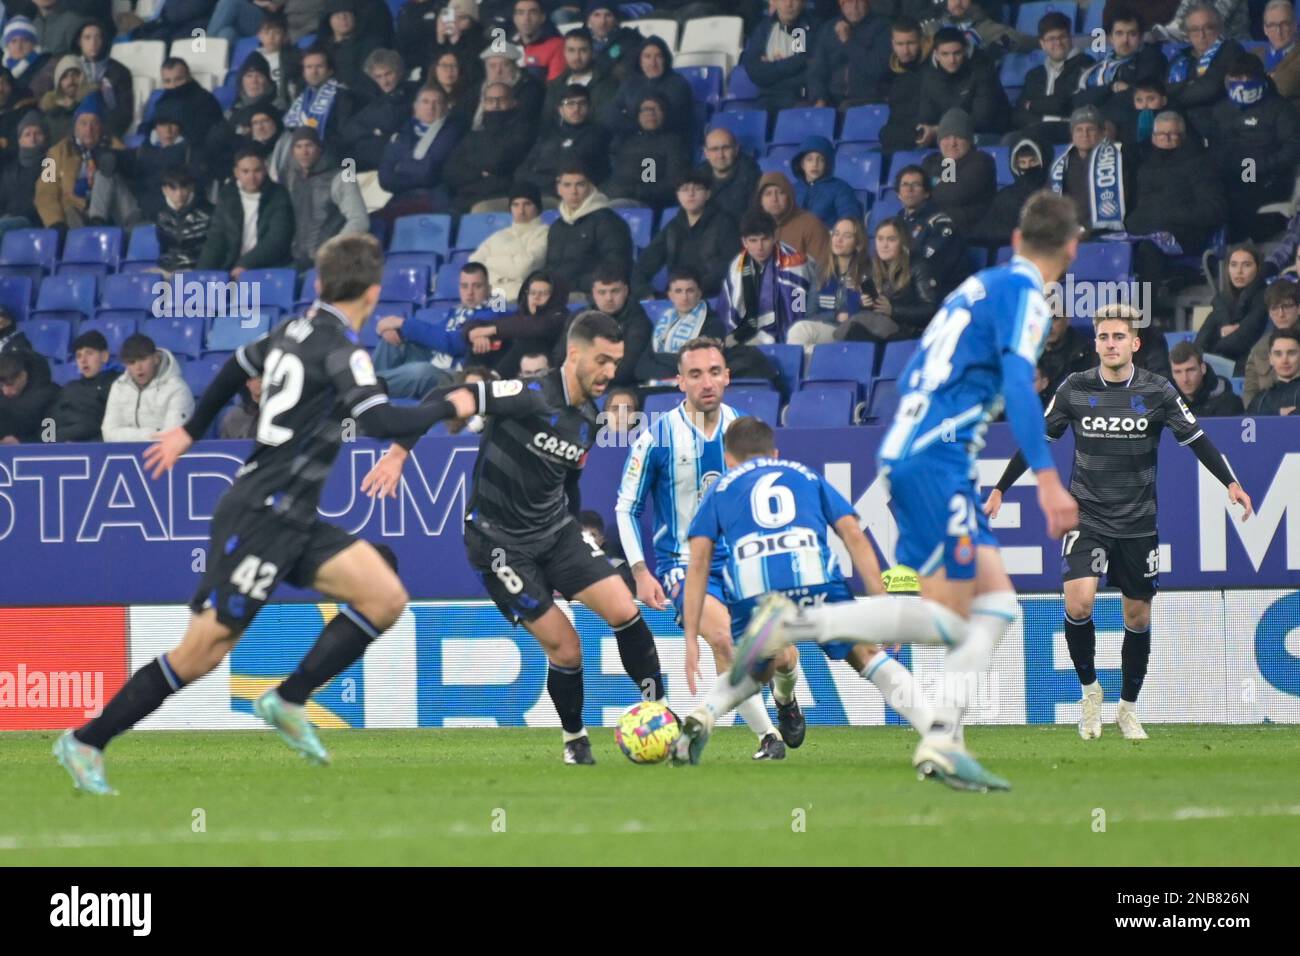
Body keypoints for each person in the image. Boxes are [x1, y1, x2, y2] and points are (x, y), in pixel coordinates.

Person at [54, 235, 471, 795]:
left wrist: (190, 430)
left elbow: (234, 366)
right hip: (260, 517)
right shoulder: (345, 352)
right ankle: (87, 740)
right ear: (372, 294)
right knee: (200, 654)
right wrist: (455, 402)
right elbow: (380, 423)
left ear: (320, 284)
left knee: (385, 596)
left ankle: (288, 698)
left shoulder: (289, 331)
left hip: (293, 515)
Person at [730, 191, 1086, 792]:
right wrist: (1049, 479)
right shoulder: (1027, 296)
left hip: (912, 445)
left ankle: (942, 739)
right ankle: (796, 626)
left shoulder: (977, 287)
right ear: (1073, 249)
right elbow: (1023, 389)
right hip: (938, 457)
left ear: (1017, 241)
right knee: (958, 618)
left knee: (989, 607)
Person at [362, 311, 671, 766]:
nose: (610, 372)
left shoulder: (588, 418)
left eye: (616, 362)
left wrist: (572, 539)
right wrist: (398, 450)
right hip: (499, 543)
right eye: (602, 360)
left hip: (556, 533)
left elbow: (566, 484)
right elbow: (447, 395)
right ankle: (575, 739)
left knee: (626, 611)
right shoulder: (529, 395)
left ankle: (659, 715)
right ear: (575, 353)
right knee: (567, 647)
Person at [988, 303, 1252, 740]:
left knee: (1138, 618)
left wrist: (1231, 482)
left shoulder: (1158, 391)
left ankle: (1127, 709)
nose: (1110, 344)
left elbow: (1198, 439)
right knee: (1079, 603)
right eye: (1103, 337)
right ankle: (1091, 694)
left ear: (1134, 343)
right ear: (1095, 344)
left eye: (1118, 337)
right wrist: (1000, 487)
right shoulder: (1074, 388)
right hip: (1087, 517)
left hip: (1138, 523)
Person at [672, 416, 940, 765]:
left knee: (754, 670)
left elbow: (698, 563)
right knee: (867, 655)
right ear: (775, 452)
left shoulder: (720, 488)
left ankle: (704, 715)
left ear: (729, 458)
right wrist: (883, 607)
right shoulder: (805, 474)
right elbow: (854, 535)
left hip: (757, 588)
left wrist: (692, 636)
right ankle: (937, 736)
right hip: (813, 575)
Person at [616, 339, 786, 759]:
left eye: (714, 371)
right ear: (680, 382)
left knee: (783, 656)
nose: (706, 382)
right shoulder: (656, 438)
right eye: (695, 374)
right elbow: (626, 507)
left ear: (727, 376)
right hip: (683, 565)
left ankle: (786, 699)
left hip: (744, 563)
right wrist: (640, 571)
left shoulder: (745, 432)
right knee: (724, 640)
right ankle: (769, 737)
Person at [1207, 52, 1300, 243]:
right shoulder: (1220, 110)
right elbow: (1215, 149)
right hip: (1230, 179)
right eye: (1237, 77)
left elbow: (1292, 148)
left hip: (1269, 180)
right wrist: (1234, 166)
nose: (1242, 82)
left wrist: (1259, 166)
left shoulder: (1281, 108)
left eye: (1247, 77)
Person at [373, 261, 497, 398]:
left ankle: (365, 390)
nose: (469, 293)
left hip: (456, 375)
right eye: (464, 286)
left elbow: (452, 343)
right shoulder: (456, 312)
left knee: (422, 372)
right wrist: (397, 330)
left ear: (489, 289)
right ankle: (367, 392)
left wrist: (402, 323)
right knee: (392, 341)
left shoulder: (491, 315)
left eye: (477, 286)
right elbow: (436, 333)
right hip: (435, 360)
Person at [34, 94, 137, 232]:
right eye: (83, 123)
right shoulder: (54, 153)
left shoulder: (115, 148)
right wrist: (55, 223)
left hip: (113, 216)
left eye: (94, 123)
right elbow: (45, 192)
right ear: (75, 126)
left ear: (101, 126)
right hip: (73, 216)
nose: (88, 129)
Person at [632, 172, 738, 299]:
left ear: (707, 194)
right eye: (684, 189)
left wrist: (691, 291)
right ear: (678, 195)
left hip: (711, 297)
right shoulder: (673, 227)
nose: (690, 194)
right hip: (677, 298)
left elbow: (728, 268)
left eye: (697, 189)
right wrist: (648, 293)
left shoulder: (725, 224)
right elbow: (644, 264)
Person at [837, 216, 939, 342]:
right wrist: (863, 303)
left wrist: (893, 310)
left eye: (891, 239)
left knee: (856, 329)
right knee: (855, 327)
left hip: (906, 331)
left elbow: (930, 310)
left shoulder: (918, 266)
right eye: (880, 239)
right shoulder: (870, 266)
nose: (884, 245)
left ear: (903, 242)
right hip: (876, 326)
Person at [279, 127, 369, 270]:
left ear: (319, 148)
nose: (304, 152)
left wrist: (332, 249)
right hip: (297, 260)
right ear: (292, 151)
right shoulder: (290, 178)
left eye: (309, 145)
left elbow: (360, 221)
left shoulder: (343, 176)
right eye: (299, 146)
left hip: (333, 262)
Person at [720, 210, 813, 346]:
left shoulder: (793, 263)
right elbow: (728, 310)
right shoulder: (737, 265)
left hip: (781, 331)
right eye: (753, 240)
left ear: (774, 237)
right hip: (747, 330)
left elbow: (798, 309)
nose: (759, 247)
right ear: (744, 242)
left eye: (765, 239)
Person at [198, 149, 295, 276]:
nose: (252, 177)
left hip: (269, 267)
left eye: (257, 171)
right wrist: (201, 273)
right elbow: (216, 238)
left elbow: (277, 240)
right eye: (245, 171)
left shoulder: (279, 195)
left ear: (265, 170)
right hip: (232, 268)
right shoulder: (227, 195)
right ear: (236, 172)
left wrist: (245, 264)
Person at [443, 82, 535, 214]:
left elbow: (496, 161)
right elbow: (449, 171)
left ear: (513, 102)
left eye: (501, 99)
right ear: (484, 104)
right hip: (466, 197)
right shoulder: (473, 136)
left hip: (500, 196)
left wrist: (470, 166)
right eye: (490, 100)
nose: (495, 105)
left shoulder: (523, 132)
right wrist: (479, 173)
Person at [1072, 5, 1168, 131]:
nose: (1125, 40)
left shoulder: (1150, 58)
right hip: (1087, 120)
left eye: (1132, 34)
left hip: (1124, 124)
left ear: (1140, 38)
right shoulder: (1098, 66)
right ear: (1111, 38)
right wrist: (1113, 87)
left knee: (1098, 129)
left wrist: (1095, 101)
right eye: (1119, 33)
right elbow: (1076, 101)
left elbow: (1136, 96)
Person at [376, 84, 464, 222]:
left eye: (437, 102)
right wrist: (412, 167)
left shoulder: (452, 132)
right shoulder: (402, 133)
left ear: (446, 107)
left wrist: (400, 167)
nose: (431, 107)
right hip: (401, 197)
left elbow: (427, 173)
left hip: (436, 197)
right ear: (415, 107)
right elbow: (385, 178)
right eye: (425, 102)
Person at [544, 164, 633, 297]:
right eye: (567, 185)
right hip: (557, 293)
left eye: (580, 185)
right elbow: (550, 267)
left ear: (590, 187)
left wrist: (572, 284)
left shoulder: (609, 222)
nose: (574, 191)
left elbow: (615, 268)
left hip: (591, 295)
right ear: (559, 189)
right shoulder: (557, 226)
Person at [462, 270, 571, 378]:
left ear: (555, 296)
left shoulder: (561, 317)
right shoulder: (519, 316)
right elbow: (473, 324)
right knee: (479, 346)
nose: (536, 297)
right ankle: (469, 384)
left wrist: (491, 330)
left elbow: (537, 327)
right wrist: (474, 334)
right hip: (515, 370)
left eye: (543, 294)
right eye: (532, 293)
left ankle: (494, 379)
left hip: (544, 371)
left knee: (530, 341)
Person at [1164, 3, 1244, 141]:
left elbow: (1210, 88)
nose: (1201, 35)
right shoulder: (1180, 58)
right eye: (1195, 30)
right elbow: (1165, 89)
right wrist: (1190, 84)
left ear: (1219, 29)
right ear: (1187, 34)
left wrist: (1177, 93)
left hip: (1216, 127)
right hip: (1184, 128)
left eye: (1208, 28)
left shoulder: (1230, 50)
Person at [916, 26, 1011, 142]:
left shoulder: (983, 69)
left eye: (957, 53)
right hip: (946, 136)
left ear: (965, 50)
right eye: (945, 54)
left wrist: (938, 130)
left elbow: (983, 120)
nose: (952, 60)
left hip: (988, 134)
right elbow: (926, 117)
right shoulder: (928, 75)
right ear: (936, 54)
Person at [1010, 11, 1092, 144]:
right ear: (1042, 43)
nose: (1058, 43)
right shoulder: (1034, 75)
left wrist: (1031, 105)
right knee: (1010, 139)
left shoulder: (1084, 63)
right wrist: (1041, 120)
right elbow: (1018, 114)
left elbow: (1063, 103)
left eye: (1062, 37)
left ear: (1070, 38)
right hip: (1038, 128)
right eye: (1051, 39)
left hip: (1071, 128)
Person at [1049, 106, 1131, 236]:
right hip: (1068, 232)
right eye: (1079, 130)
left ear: (1102, 132)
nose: (1085, 135)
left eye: (1091, 129)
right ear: (1072, 134)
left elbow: (1125, 198)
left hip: (1103, 232)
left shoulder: (1119, 160)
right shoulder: (1061, 164)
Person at [636, 268, 727, 383]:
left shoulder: (714, 325)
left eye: (690, 291)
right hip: (658, 388)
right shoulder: (664, 324)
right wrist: (675, 366)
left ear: (699, 294)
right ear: (670, 295)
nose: (684, 297)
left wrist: (658, 357)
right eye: (678, 291)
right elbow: (640, 369)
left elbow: (698, 366)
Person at [101, 333, 195, 442]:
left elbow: (171, 437)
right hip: (125, 454)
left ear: (155, 358)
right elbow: (108, 433)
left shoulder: (178, 389)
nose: (138, 367)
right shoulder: (119, 386)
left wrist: (126, 434)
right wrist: (152, 432)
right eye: (132, 362)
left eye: (143, 359)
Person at [521, 84, 611, 197]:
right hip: (541, 191)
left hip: (576, 193)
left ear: (589, 107)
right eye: (570, 104)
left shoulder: (598, 134)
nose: (576, 109)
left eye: (582, 103)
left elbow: (576, 164)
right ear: (560, 109)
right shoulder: (547, 134)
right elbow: (523, 171)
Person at [895, 163, 969, 298]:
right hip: (910, 286)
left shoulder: (940, 222)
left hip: (940, 291)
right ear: (898, 194)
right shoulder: (898, 220)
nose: (909, 189)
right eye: (905, 185)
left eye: (916, 185)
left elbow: (928, 263)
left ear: (926, 193)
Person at [336, 49, 415, 172]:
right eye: (378, 76)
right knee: (345, 159)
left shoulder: (411, 93)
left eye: (388, 74)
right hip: (365, 158)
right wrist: (372, 131)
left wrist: (369, 129)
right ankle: (349, 190)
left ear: (398, 72)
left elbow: (390, 121)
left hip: (390, 159)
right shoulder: (376, 100)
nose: (384, 81)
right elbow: (347, 130)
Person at [571, 265, 651, 386]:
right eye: (602, 292)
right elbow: (562, 356)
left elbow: (627, 368)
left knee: (621, 404)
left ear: (625, 291)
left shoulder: (639, 321)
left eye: (615, 291)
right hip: (580, 385)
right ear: (593, 293)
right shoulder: (579, 318)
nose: (609, 298)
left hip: (622, 389)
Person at [807, 0, 892, 110]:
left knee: (845, 108)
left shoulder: (882, 27)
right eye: (850, 1)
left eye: (860, 1)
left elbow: (877, 68)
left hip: (868, 99)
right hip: (831, 99)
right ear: (841, 4)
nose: (855, 7)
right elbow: (816, 70)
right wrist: (819, 97)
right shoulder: (828, 28)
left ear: (868, 3)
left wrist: (847, 42)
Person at [471, 182, 550, 302]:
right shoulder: (500, 235)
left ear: (537, 206)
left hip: (525, 297)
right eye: (516, 205)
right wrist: (510, 266)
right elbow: (475, 263)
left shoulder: (544, 233)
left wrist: (490, 261)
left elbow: (524, 267)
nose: (521, 210)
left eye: (527, 204)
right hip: (496, 296)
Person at [1196, 242, 1269, 370]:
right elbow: (1200, 342)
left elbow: (1242, 339)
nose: (1239, 271)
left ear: (1257, 268)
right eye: (1234, 265)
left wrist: (1213, 348)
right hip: (1219, 366)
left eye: (1246, 265)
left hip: (1251, 367)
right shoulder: (1222, 301)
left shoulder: (1265, 297)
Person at [922, 108, 996, 234]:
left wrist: (928, 195)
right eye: (946, 137)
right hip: (937, 227)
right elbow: (917, 192)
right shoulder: (931, 161)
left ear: (969, 140)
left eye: (958, 137)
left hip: (968, 231)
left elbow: (951, 196)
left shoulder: (981, 161)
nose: (952, 143)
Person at [971, 133, 1051, 248]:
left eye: (1033, 161)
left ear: (1043, 162)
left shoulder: (1055, 196)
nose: (1028, 167)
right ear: (1015, 166)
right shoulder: (1005, 196)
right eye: (1022, 163)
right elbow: (983, 232)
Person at [604, 36, 693, 139]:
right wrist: (639, 124)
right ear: (640, 60)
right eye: (647, 56)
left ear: (665, 59)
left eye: (658, 56)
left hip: (665, 141)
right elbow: (611, 114)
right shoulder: (630, 83)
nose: (653, 63)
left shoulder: (678, 84)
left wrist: (631, 120)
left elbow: (667, 120)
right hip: (631, 140)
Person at [740, 0, 816, 114]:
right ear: (773, 2)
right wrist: (793, 63)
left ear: (804, 2)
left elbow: (809, 71)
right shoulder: (764, 29)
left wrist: (772, 66)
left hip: (800, 100)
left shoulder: (813, 28)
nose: (788, 4)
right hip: (767, 102)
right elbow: (754, 70)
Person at [282, 46, 358, 150]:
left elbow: (344, 133)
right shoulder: (301, 96)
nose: (314, 72)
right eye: (309, 67)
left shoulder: (342, 95)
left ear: (330, 70)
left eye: (319, 66)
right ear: (303, 72)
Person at [50, 329, 117, 442]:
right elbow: (50, 421)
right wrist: (51, 440)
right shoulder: (69, 388)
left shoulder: (117, 384)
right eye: (78, 356)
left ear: (104, 356)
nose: (83, 360)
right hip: (65, 446)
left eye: (89, 353)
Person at [541, 27, 619, 122]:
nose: (577, 57)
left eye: (583, 50)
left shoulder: (607, 84)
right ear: (564, 52)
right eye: (571, 50)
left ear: (592, 52)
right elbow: (547, 121)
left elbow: (605, 121)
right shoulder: (555, 86)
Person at [755, 171, 829, 268]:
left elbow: (823, 270)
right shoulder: (754, 227)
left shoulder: (811, 225)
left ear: (789, 196)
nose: (774, 199)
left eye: (780, 193)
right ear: (760, 200)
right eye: (768, 194)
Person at [1243, 279, 1299, 405]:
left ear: (1299, 308)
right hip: (1266, 419)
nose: (1281, 314)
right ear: (1269, 312)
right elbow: (1250, 393)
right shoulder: (1259, 348)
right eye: (1275, 308)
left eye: (1287, 306)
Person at [880, 16, 930, 156]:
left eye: (910, 43)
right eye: (900, 44)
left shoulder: (932, 69)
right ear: (892, 44)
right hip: (899, 136)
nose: (905, 50)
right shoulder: (892, 73)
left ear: (920, 41)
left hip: (924, 133)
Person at [791, 135, 863, 229]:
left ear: (827, 164)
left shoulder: (840, 188)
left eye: (820, 160)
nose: (814, 164)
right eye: (809, 159)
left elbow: (849, 219)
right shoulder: (791, 189)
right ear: (802, 164)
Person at [698, 126, 761, 224]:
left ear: (736, 149)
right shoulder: (698, 178)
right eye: (714, 149)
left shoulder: (752, 176)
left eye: (726, 148)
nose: (720, 155)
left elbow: (753, 218)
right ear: (706, 153)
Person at [157, 167, 214, 274]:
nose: (179, 194)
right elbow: (164, 251)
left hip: (196, 272)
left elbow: (212, 252)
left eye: (183, 187)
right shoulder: (160, 215)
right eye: (173, 188)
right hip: (166, 270)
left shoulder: (208, 213)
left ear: (191, 187)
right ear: (164, 190)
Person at [1169, 340, 1244, 415]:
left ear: (1203, 368)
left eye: (1190, 370)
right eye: (1178, 372)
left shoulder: (1229, 404)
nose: (1185, 379)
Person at [0, 350, 59, 444]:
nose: (5, 391)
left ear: (23, 376)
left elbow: (50, 438)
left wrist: (21, 443)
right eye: (1, 385)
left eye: (10, 384)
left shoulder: (51, 397)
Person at [1037, 305, 1094, 396]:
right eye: (1043, 318)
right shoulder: (1024, 354)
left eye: (1055, 318)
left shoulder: (1087, 355)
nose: (1049, 325)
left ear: (1067, 320)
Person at [1245, 327, 1300, 414]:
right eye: (1278, 354)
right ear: (1270, 359)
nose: (1285, 360)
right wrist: (1277, 414)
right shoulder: (1260, 400)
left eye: (1291, 353)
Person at [512, 0, 565, 81]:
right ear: (515, 18)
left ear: (542, 17)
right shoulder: (507, 46)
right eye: (521, 13)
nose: (526, 19)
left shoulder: (556, 45)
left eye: (532, 13)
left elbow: (555, 87)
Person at [1265, 0, 1300, 107]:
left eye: (1284, 24)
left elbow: (1283, 87)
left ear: (1295, 26)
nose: (1278, 31)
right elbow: (1229, 81)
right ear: (1265, 29)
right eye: (1272, 25)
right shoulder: (1256, 52)